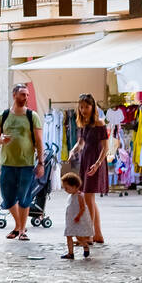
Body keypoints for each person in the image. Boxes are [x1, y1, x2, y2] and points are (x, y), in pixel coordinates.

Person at [0, 83, 44, 241]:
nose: (25, 97)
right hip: (7, 164)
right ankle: (18, 226)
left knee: (24, 197)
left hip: (26, 164)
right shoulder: (4, 115)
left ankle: (21, 230)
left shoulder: (32, 116)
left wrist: (41, 162)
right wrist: (1, 140)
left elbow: (39, 141)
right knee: (7, 198)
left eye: (27, 95)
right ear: (14, 95)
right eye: (22, 94)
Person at [69, 92, 109, 245]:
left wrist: (98, 163)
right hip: (86, 160)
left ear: (93, 107)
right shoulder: (83, 123)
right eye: (81, 107)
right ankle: (97, 234)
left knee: (88, 199)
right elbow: (80, 143)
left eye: (86, 106)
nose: (84, 110)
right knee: (89, 199)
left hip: (95, 161)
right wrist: (73, 151)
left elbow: (105, 148)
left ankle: (89, 235)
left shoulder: (99, 123)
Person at [60, 170, 94, 259]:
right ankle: (70, 253)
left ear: (74, 186)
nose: (65, 190)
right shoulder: (71, 196)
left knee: (79, 236)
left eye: (67, 188)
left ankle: (85, 246)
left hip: (78, 219)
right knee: (69, 235)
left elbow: (83, 208)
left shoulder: (79, 196)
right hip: (71, 219)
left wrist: (78, 216)